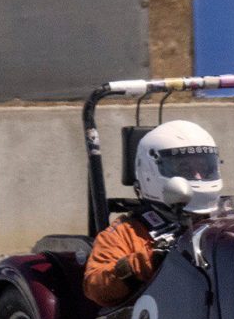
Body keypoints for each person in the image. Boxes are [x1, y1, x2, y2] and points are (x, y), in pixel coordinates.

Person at [83, 120, 222, 307]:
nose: (198, 177)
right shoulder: (127, 231)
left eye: (204, 169)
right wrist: (148, 260)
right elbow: (96, 287)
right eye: (185, 169)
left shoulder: (225, 219)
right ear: (150, 171)